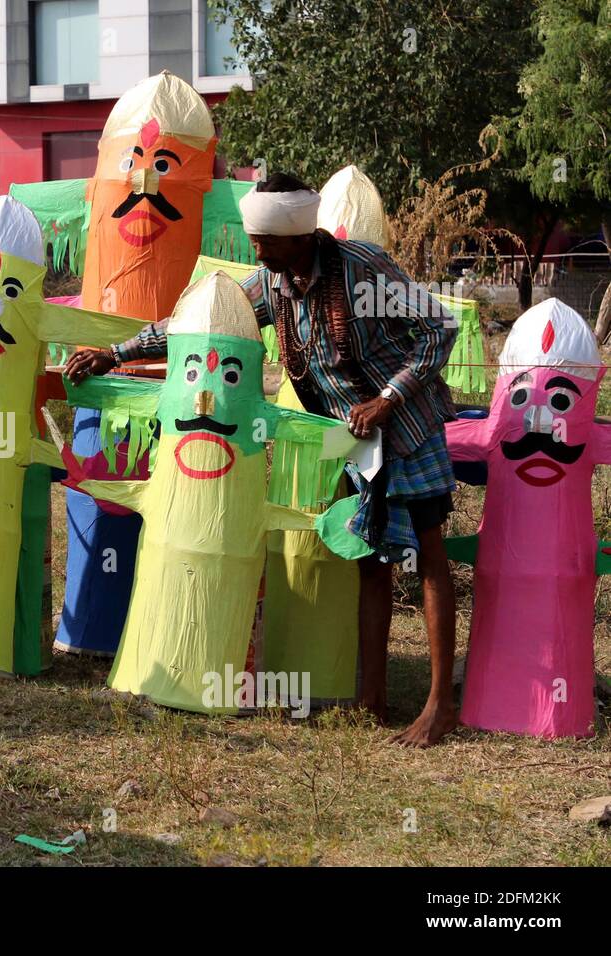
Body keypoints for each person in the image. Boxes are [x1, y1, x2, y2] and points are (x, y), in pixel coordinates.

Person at [66, 172, 460, 747]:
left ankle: (438, 706)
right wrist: (115, 355)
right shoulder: (274, 285)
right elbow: (186, 328)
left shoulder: (363, 269)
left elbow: (437, 328)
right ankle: (372, 703)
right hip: (354, 438)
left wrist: (387, 398)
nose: (257, 250)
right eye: (255, 240)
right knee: (371, 559)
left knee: (428, 554)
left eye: (266, 241)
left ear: (300, 235)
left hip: (407, 426)